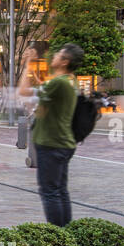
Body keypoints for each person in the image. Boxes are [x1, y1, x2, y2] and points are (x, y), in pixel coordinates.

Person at [19, 44, 83, 227]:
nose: (53, 55)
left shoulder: (58, 83)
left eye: (58, 54)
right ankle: (67, 233)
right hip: (63, 142)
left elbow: (23, 91)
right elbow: (43, 90)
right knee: (60, 190)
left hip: (51, 142)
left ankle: (58, 237)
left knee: (49, 192)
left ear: (65, 61)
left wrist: (28, 63)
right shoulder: (70, 80)